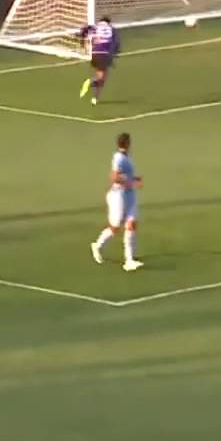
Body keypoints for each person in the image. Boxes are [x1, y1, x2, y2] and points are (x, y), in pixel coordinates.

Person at [90, 131, 144, 272]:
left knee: (131, 224)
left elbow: (126, 176)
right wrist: (132, 181)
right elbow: (114, 178)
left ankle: (129, 260)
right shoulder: (118, 158)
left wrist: (135, 179)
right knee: (115, 228)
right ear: (127, 143)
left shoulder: (127, 158)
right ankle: (97, 245)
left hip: (130, 195)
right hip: (118, 195)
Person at [79, 16, 119, 105]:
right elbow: (116, 43)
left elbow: (83, 32)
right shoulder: (111, 29)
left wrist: (85, 47)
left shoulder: (95, 27)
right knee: (101, 77)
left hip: (94, 53)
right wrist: (114, 55)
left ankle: (95, 98)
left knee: (100, 75)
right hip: (104, 54)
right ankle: (90, 83)